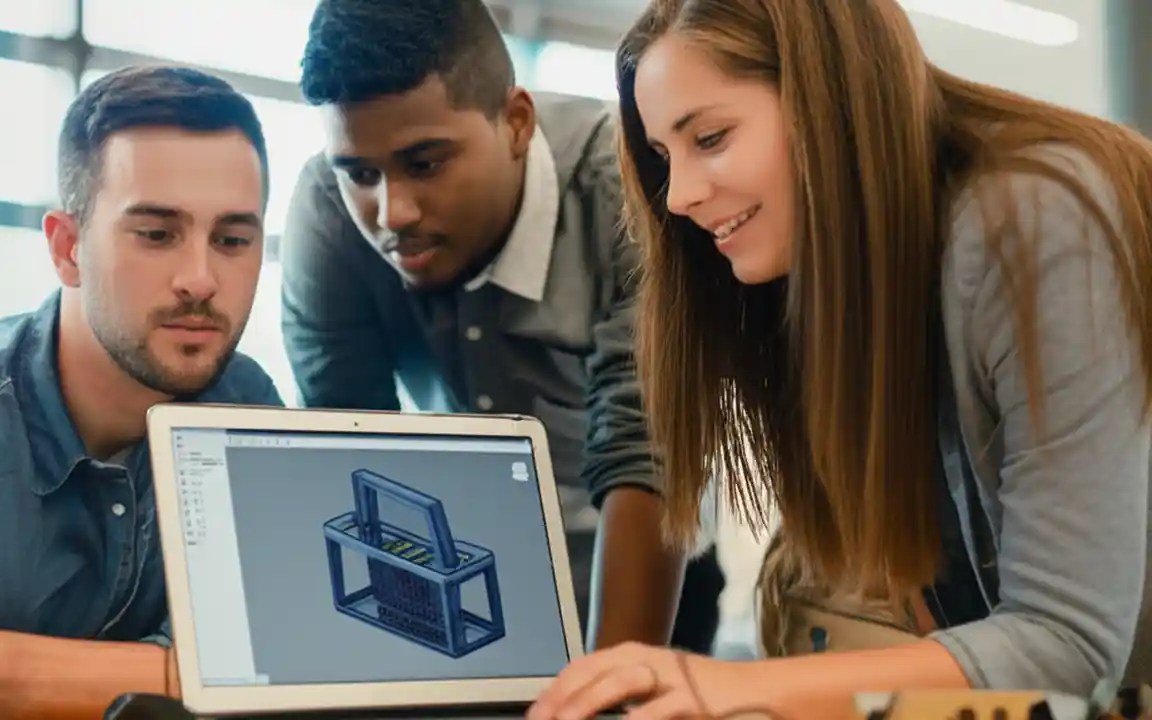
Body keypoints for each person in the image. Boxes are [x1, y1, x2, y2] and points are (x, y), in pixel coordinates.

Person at [527, 0, 1152, 718]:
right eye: (666, 158)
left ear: (828, 99)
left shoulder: (1033, 218)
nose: (683, 197)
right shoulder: (826, 282)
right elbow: (955, 621)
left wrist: (721, 688)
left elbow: (1066, 645)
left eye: (711, 137)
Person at [281, 0, 706, 649]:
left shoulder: (626, 186)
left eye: (424, 163)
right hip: (466, 567)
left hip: (646, 564)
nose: (392, 212)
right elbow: (353, 441)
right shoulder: (327, 211)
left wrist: (609, 695)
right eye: (362, 174)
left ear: (515, 123)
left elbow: (647, 446)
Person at [0, 65, 281, 719]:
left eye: (232, 240)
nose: (201, 279)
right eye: (156, 234)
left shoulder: (250, 411)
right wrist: (184, 674)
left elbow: (278, 673)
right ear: (67, 249)